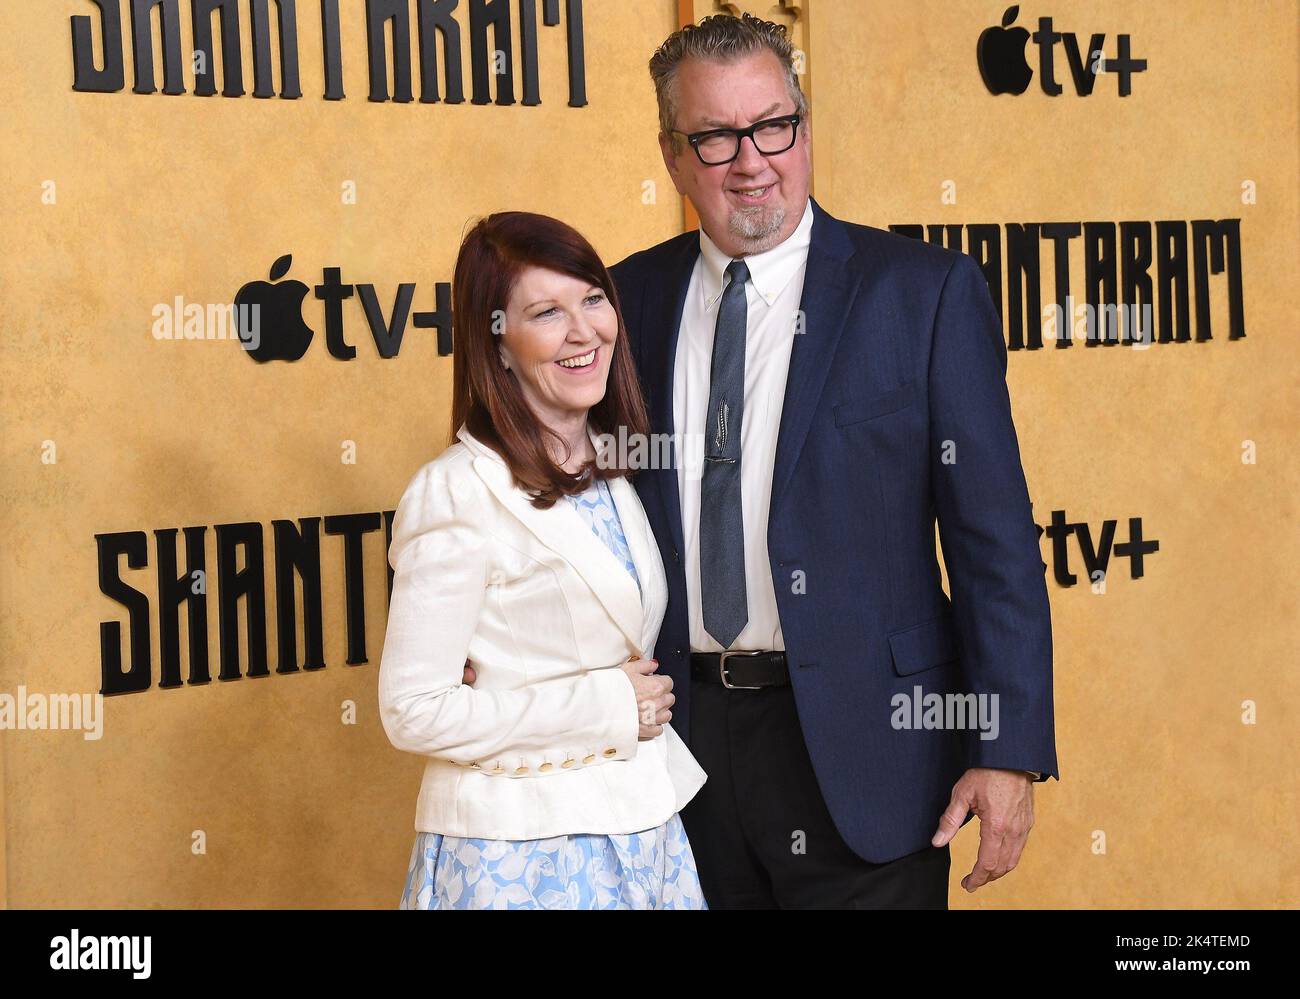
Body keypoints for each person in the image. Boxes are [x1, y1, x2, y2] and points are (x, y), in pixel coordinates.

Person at [606, 13, 1059, 908]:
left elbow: (995, 543)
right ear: (672, 157)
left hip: (872, 758)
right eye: (715, 137)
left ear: (804, 128)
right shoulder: (621, 303)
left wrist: (1006, 749)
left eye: (773, 125)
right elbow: (567, 505)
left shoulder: (924, 294)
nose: (751, 161)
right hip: (674, 756)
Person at [378, 211, 708, 910]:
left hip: (639, 829)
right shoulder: (456, 490)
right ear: (496, 343)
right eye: (546, 313)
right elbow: (413, 711)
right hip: (518, 855)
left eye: (592, 299)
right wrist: (606, 705)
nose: (584, 331)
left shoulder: (614, 468)